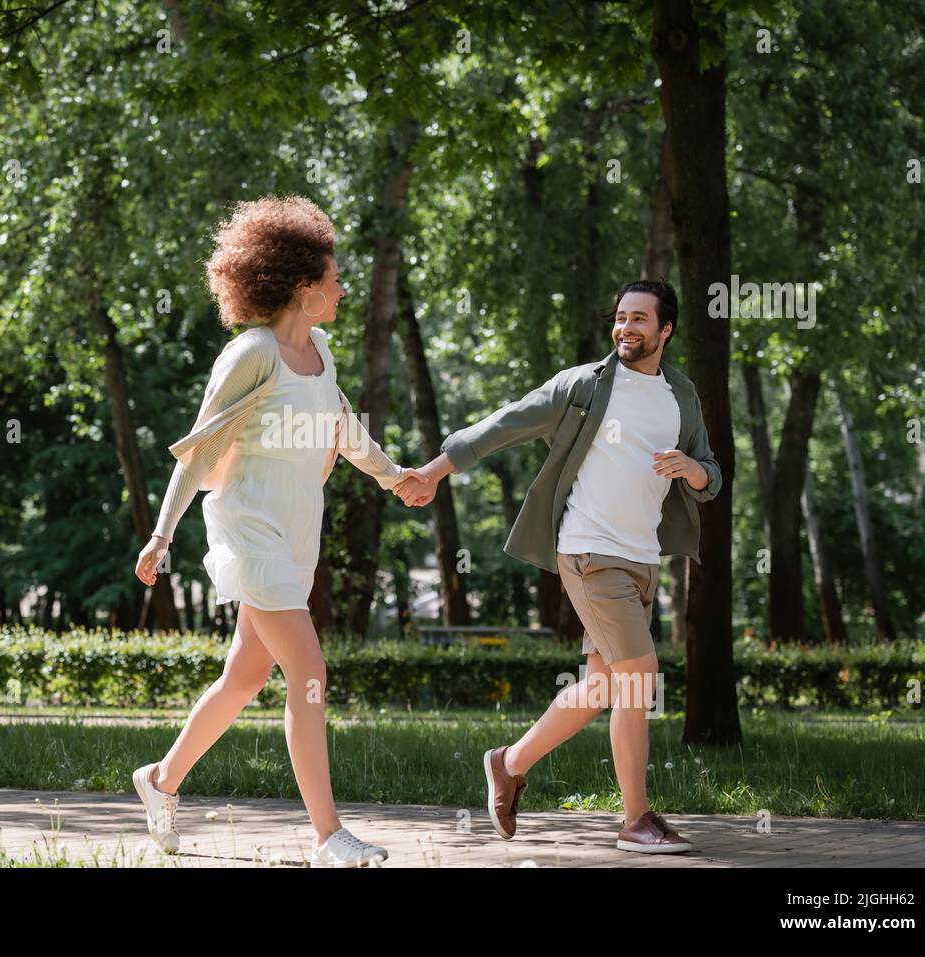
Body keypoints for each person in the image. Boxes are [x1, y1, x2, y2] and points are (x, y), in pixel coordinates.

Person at [133, 195, 414, 867]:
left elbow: (344, 428)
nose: (343, 287)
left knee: (243, 676)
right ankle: (328, 835)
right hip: (249, 529)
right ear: (302, 285)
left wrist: (395, 475)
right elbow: (199, 450)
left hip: (296, 535)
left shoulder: (318, 350)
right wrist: (160, 534)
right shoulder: (250, 353)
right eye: (335, 277)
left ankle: (161, 778)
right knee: (308, 671)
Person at [396, 278, 721, 854]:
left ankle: (508, 762)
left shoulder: (681, 395)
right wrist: (432, 472)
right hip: (589, 551)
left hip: (643, 556)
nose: (626, 328)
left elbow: (710, 472)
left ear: (665, 329)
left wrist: (693, 472)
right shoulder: (583, 387)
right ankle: (635, 820)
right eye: (621, 317)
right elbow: (504, 423)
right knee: (640, 679)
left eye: (640, 319)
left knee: (601, 685)